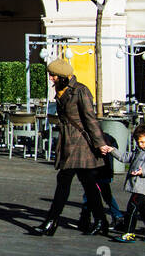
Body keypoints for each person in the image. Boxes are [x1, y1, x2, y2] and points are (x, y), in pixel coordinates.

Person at [30, 59, 114, 237]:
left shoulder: (80, 90)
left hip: (81, 143)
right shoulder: (61, 90)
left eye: (53, 75)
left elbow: (90, 119)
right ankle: (100, 221)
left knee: (66, 181)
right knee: (87, 184)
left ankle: (51, 222)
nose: (51, 78)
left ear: (62, 76)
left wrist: (100, 144)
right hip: (67, 141)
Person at [113, 126, 145, 241]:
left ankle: (129, 233)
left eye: (143, 142)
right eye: (138, 142)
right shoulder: (139, 150)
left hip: (144, 187)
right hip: (138, 186)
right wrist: (112, 150)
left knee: (132, 208)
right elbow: (125, 157)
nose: (141, 144)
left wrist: (143, 172)